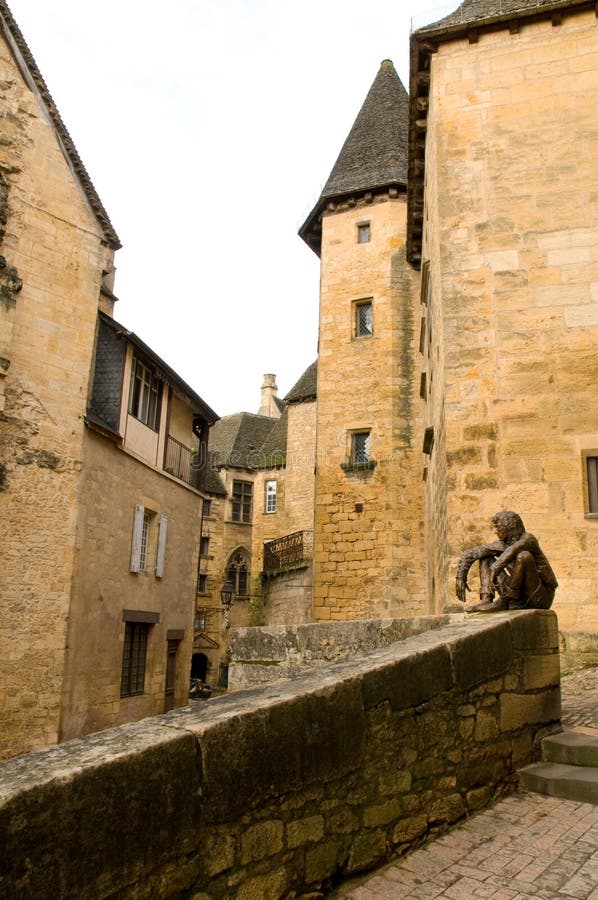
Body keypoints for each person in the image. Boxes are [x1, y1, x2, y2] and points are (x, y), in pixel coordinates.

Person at [455, 510, 557, 612]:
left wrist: (496, 567)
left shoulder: (529, 539)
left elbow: (513, 550)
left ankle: (504, 601)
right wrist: (461, 577)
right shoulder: (501, 544)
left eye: (498, 527)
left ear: (509, 527)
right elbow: (471, 553)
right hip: (518, 597)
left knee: (524, 556)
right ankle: (486, 599)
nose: (495, 531)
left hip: (540, 596)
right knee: (485, 557)